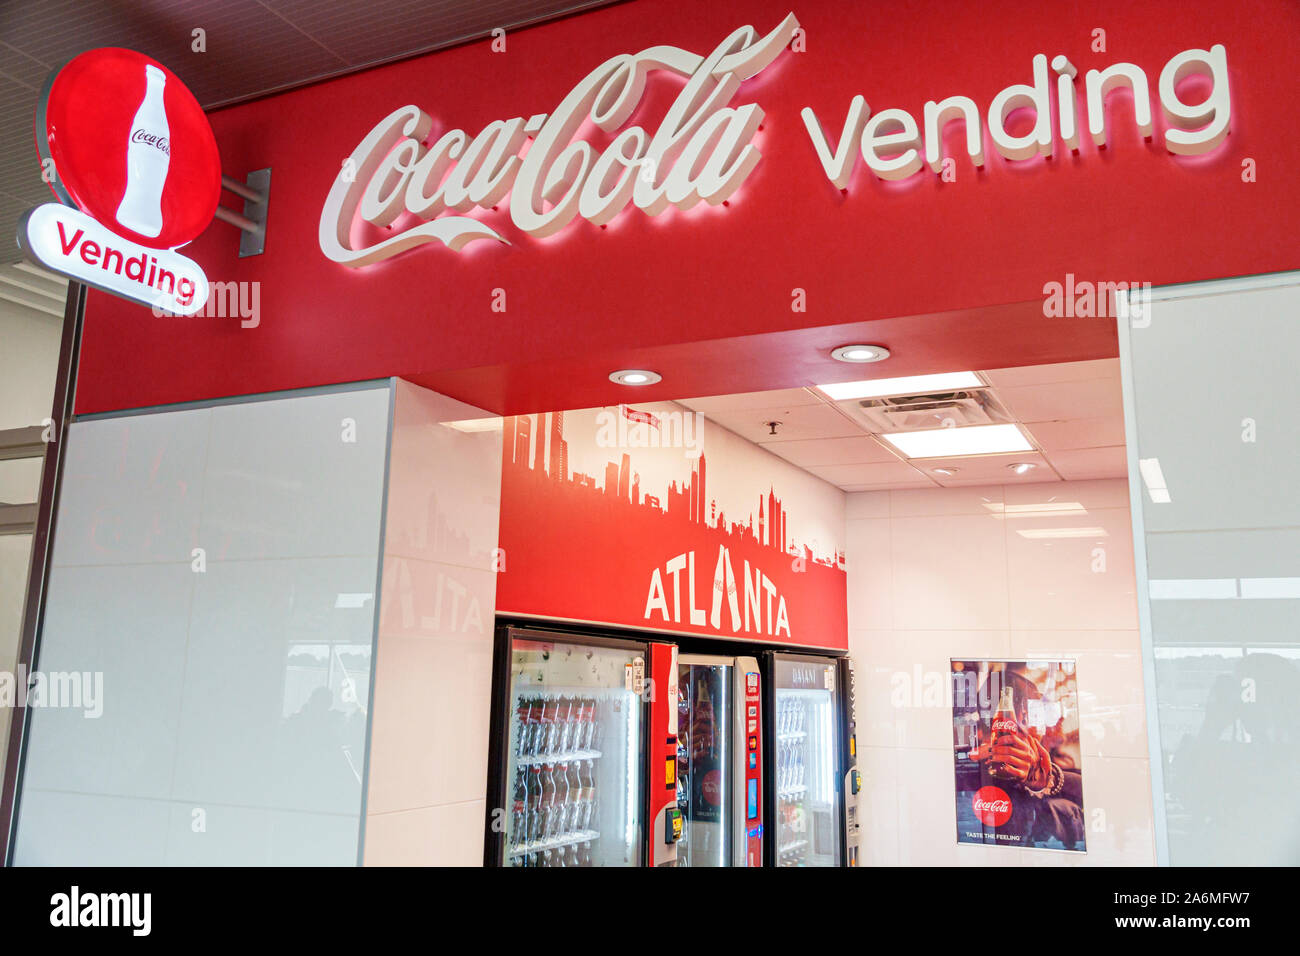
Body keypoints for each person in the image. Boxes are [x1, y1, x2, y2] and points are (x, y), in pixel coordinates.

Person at [966, 667, 1086, 850]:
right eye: (1037, 715)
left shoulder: (963, 777)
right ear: (1021, 717)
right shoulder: (1063, 812)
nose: (1043, 726)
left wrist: (1048, 777)